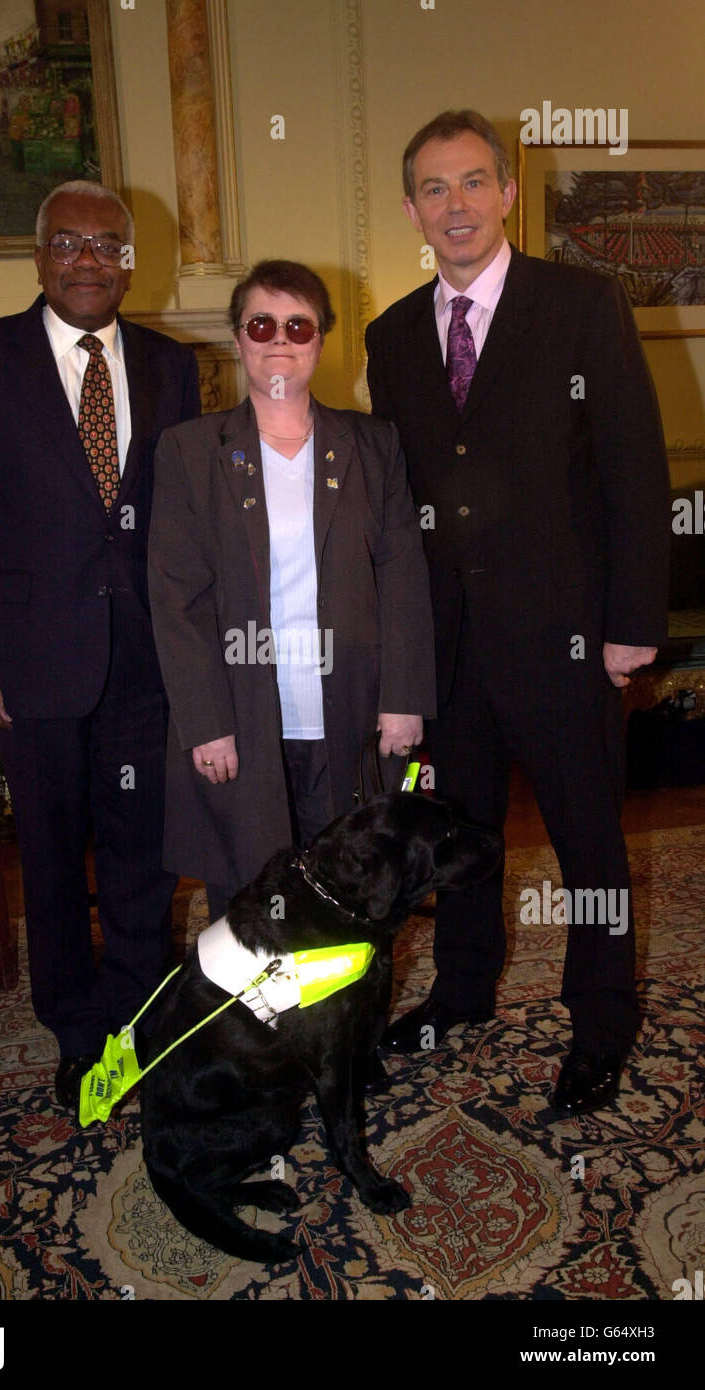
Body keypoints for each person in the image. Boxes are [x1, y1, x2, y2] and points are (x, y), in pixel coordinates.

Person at [365, 111, 670, 1116]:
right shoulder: (391, 335)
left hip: (568, 641)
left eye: (473, 182)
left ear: (505, 189)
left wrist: (632, 624)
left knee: (589, 842)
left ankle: (602, 1020)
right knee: (456, 838)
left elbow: (634, 471)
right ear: (412, 208)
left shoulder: (584, 304)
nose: (455, 205)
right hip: (447, 650)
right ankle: (460, 994)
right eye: (435, 189)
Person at [0, 180, 201, 1112]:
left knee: (144, 849)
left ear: (132, 262)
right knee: (50, 854)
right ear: (40, 256)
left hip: (145, 659)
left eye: (108, 245)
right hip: (31, 660)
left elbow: (185, 519)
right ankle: (77, 1031)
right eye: (70, 242)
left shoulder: (174, 364)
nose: (90, 259)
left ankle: (139, 1015)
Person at [148, 260, 435, 920]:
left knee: (352, 894)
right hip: (243, 720)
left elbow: (402, 575)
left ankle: (338, 1024)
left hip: (353, 713)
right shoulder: (190, 452)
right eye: (262, 323)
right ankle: (254, 1024)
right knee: (251, 902)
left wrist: (404, 699)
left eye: (298, 325)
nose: (280, 338)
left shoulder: (372, 444)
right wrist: (205, 723)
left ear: (321, 340)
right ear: (238, 337)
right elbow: (175, 596)